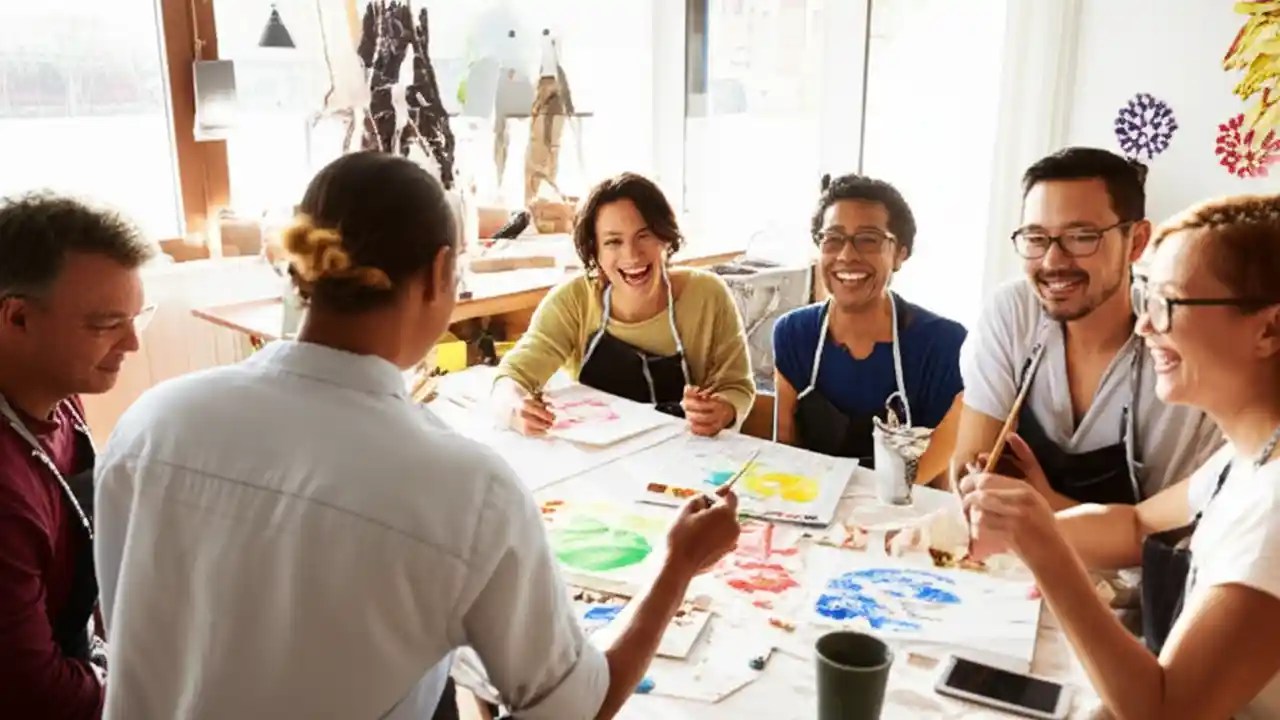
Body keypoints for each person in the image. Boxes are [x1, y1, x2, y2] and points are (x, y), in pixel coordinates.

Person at [94, 152, 742, 720]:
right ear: (439, 273)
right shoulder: (465, 488)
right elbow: (574, 705)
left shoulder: (149, 422)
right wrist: (677, 563)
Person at [961, 194, 1280, 719]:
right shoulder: (1245, 458)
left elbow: (1163, 710)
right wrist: (1026, 528)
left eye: (1167, 304)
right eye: (1146, 300)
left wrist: (1049, 555)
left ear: (1267, 328)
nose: (1143, 327)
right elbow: (1135, 526)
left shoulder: (1272, 510)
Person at [952, 147, 1220, 509]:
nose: (1052, 261)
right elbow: (972, 476)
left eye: (1081, 236)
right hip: (1003, 557)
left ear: (1137, 242)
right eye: (1035, 238)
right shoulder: (1014, 312)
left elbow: (1170, 528)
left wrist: (1043, 506)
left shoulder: (1177, 345)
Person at [0, 193, 154, 719]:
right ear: (16, 317)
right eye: (106, 324)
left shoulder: (59, 390)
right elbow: (32, 692)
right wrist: (159, 692)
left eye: (137, 317)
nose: (132, 343)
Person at [494, 172, 754, 438]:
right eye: (613, 242)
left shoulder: (708, 296)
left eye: (644, 236)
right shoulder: (573, 302)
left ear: (665, 237)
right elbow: (511, 377)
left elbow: (737, 386)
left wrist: (722, 410)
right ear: (594, 250)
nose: (632, 255)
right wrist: (515, 408)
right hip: (596, 460)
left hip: (687, 460)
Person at [772, 174, 966, 480]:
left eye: (868, 240)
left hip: (903, 509)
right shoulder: (793, 333)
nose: (847, 255)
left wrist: (864, 516)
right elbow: (785, 446)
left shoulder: (943, 344)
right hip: (814, 503)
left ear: (900, 252)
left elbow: (938, 464)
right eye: (832, 239)